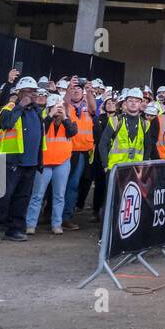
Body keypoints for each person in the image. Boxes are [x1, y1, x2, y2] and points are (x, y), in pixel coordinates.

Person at [0, 76, 46, 244]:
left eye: (34, 91)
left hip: (29, 163)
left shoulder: (37, 111)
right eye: (29, 91)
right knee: (2, 197)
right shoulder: (9, 108)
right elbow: (5, 124)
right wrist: (20, 106)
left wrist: (39, 161)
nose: (33, 95)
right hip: (10, 161)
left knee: (22, 198)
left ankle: (14, 229)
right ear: (19, 92)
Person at [25, 94, 77, 235]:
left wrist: (65, 117)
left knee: (59, 195)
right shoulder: (41, 119)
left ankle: (57, 224)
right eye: (55, 108)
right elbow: (39, 131)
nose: (58, 111)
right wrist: (50, 115)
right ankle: (30, 224)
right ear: (48, 108)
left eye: (60, 108)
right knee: (37, 195)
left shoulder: (69, 121)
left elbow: (73, 132)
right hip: (44, 163)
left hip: (62, 162)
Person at [60, 78, 96, 231]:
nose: (76, 91)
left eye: (78, 89)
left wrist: (89, 91)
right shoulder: (66, 107)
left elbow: (94, 108)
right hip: (67, 150)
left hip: (82, 152)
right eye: (73, 89)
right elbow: (65, 102)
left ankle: (66, 216)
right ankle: (57, 216)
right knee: (64, 185)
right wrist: (69, 87)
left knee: (73, 185)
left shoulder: (87, 107)